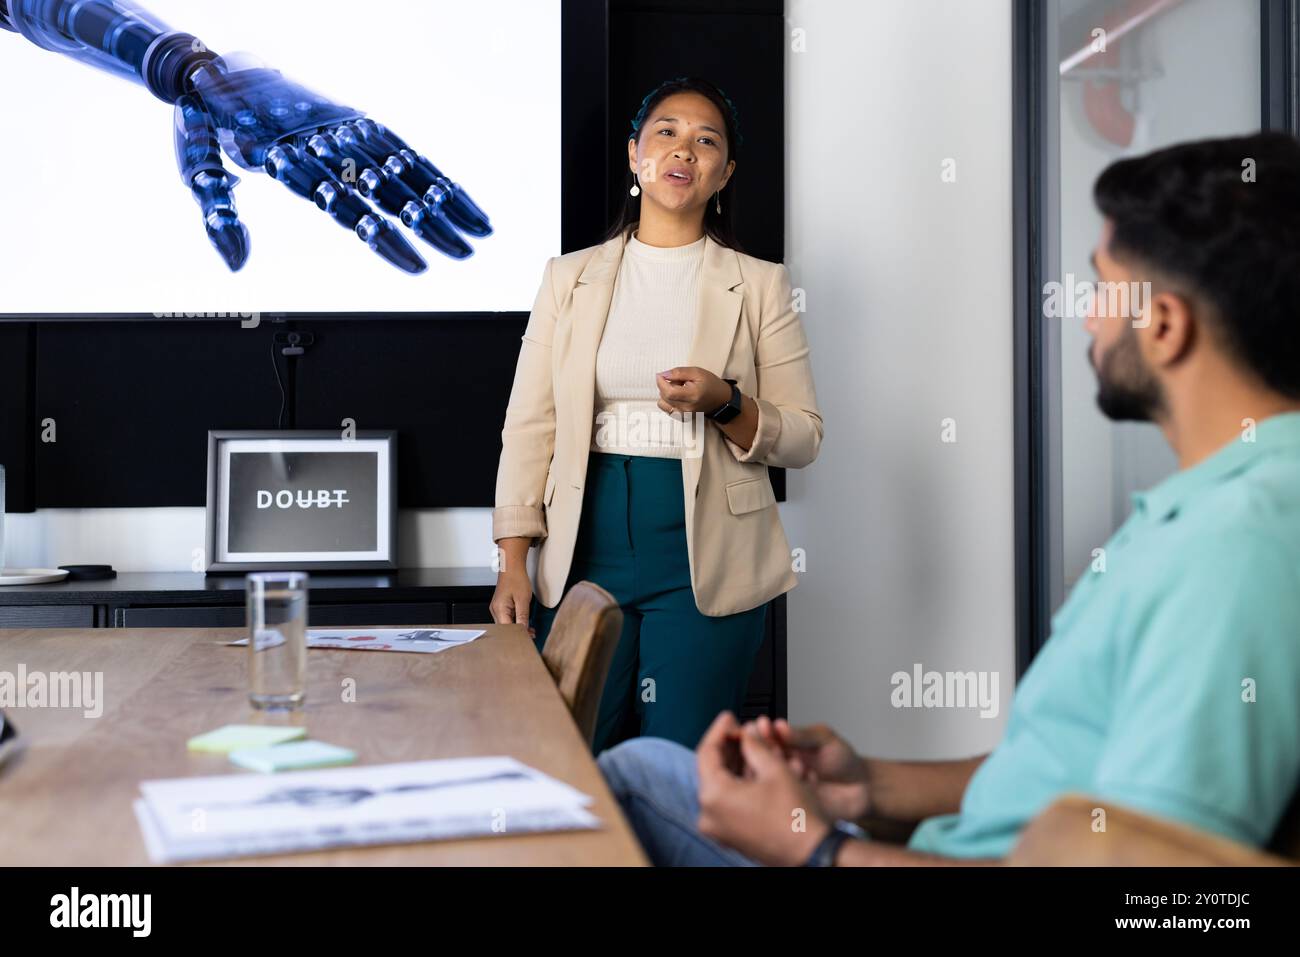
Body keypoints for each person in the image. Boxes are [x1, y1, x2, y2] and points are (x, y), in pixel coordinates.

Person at [598, 131, 1300, 865]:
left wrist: (818, 847)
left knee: (627, 783)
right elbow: (1058, 774)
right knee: (638, 771)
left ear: (1163, 326)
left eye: (1101, 287)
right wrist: (865, 785)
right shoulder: (1207, 509)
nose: (1086, 315)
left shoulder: (1236, 547)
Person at [489, 76, 823, 754]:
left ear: (724, 173)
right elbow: (531, 424)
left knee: (678, 762)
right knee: (580, 752)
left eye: (707, 141)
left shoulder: (760, 283)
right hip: (587, 542)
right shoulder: (568, 278)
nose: (684, 150)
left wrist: (724, 401)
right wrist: (513, 559)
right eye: (667, 132)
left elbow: (803, 435)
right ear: (635, 154)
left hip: (708, 555)